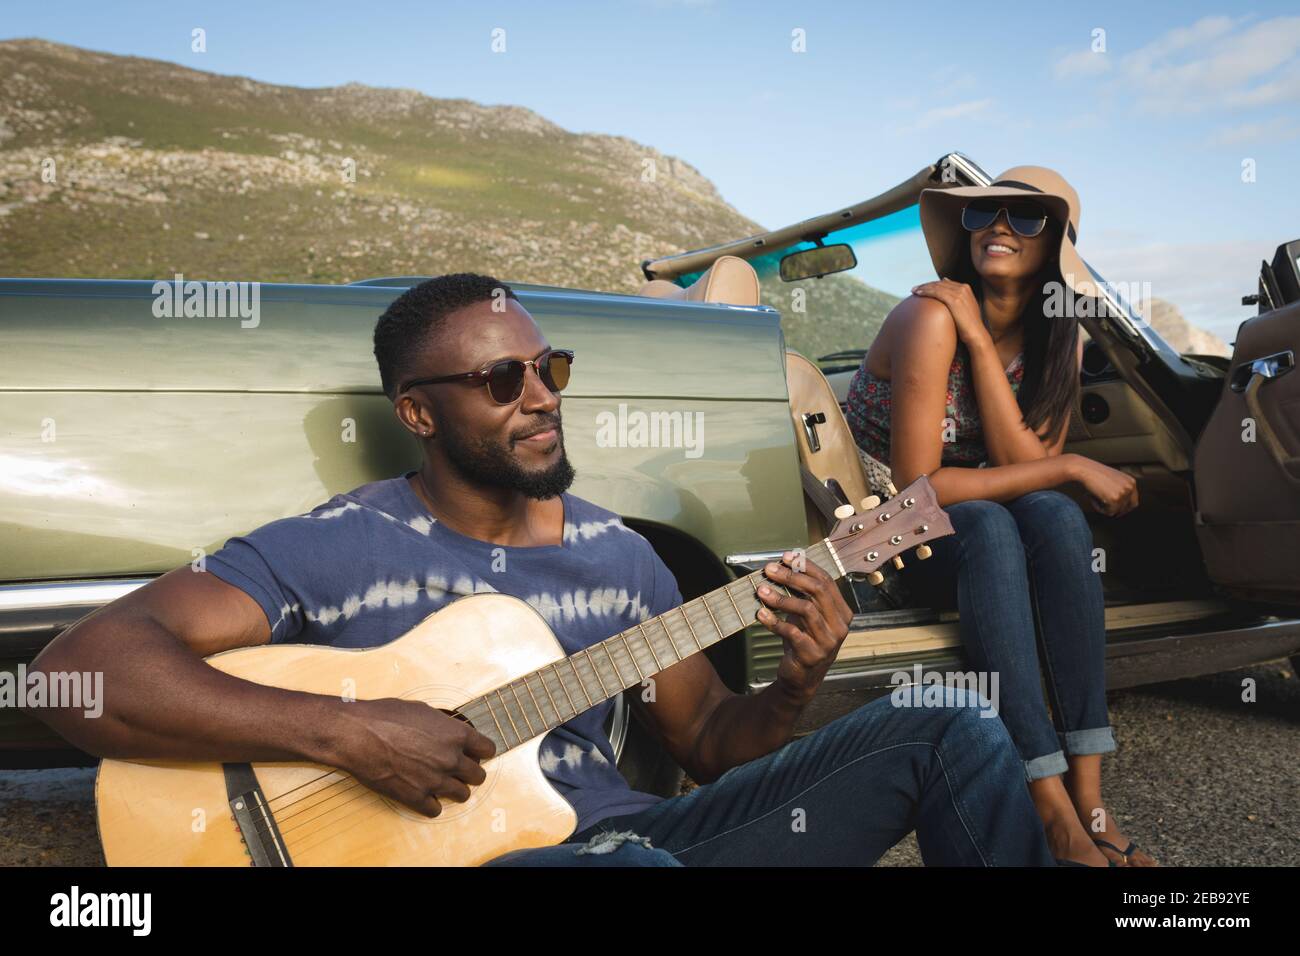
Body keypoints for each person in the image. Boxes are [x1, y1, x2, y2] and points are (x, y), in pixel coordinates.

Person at [29, 273, 1058, 866]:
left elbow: (708, 743)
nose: (540, 395)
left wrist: (793, 680)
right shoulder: (332, 542)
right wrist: (351, 730)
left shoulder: (623, 558)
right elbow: (82, 667)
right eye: (500, 377)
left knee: (954, 731)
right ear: (420, 413)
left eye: (549, 368)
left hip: (635, 842)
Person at [845, 167, 1156, 867]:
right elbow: (918, 486)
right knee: (996, 517)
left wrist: (983, 347)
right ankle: (1048, 805)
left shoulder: (1056, 335)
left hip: (975, 523)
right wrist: (1075, 466)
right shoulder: (928, 317)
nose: (1000, 227)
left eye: (1027, 218)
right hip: (887, 534)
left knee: (1052, 514)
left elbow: (1029, 463)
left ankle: (1093, 803)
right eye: (986, 211)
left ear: (1055, 247)